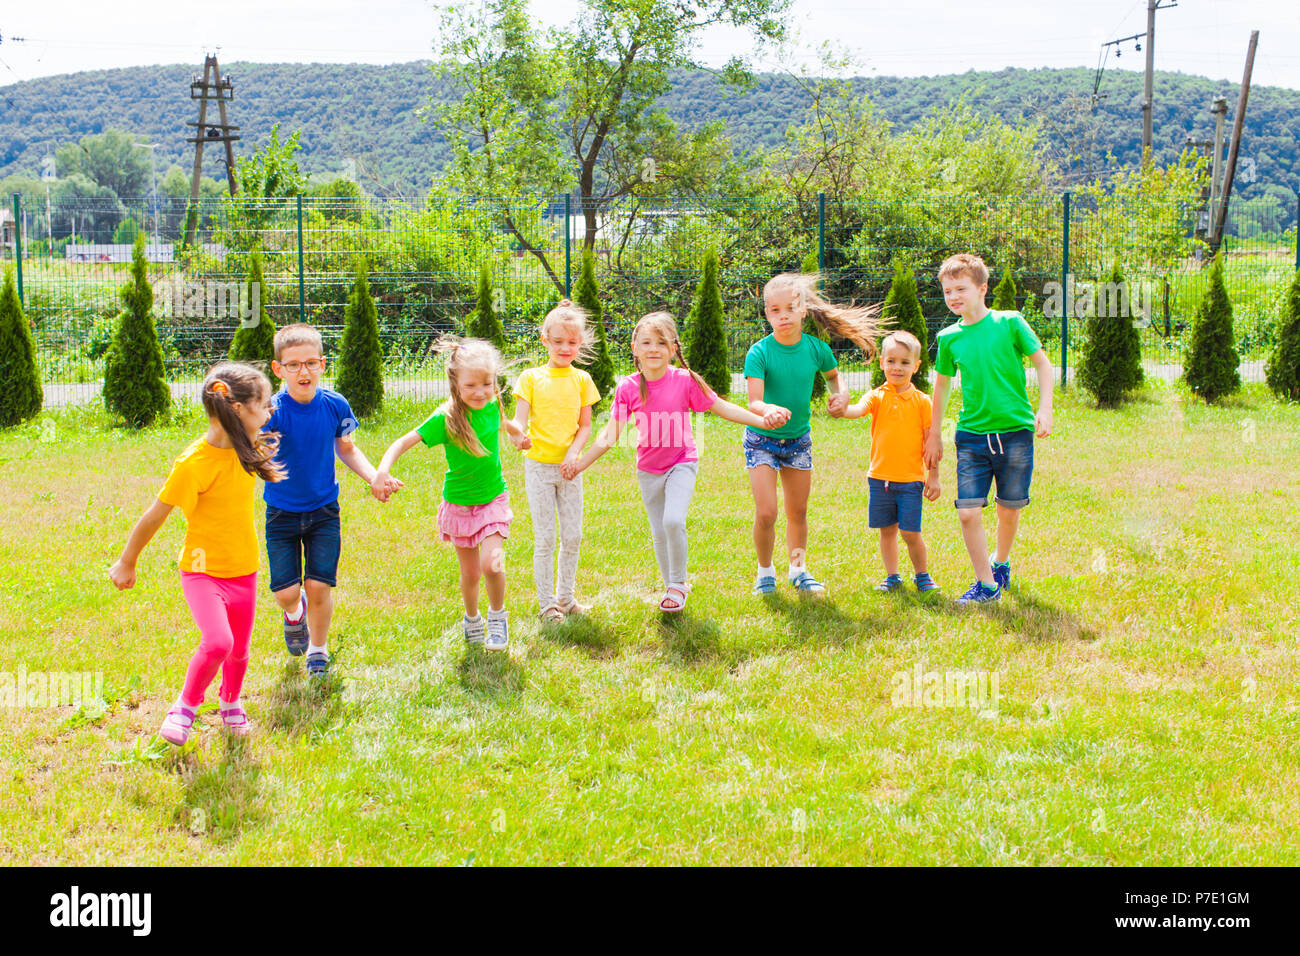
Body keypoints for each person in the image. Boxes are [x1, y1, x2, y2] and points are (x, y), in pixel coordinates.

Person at [109, 363, 286, 745]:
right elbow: (156, 515)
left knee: (239, 651)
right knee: (219, 643)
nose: (271, 411)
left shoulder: (246, 448)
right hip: (203, 572)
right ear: (237, 408)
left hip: (244, 569)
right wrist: (127, 560)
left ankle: (231, 702)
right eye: (265, 404)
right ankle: (185, 707)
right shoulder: (193, 463)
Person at [564, 312, 782, 612]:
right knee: (659, 531)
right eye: (647, 342)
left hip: (682, 462)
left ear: (673, 349)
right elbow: (608, 436)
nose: (654, 348)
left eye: (662, 342)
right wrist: (579, 463)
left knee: (673, 521)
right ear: (635, 348)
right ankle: (672, 587)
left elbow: (722, 407)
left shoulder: (685, 380)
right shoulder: (628, 387)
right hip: (647, 470)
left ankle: (677, 585)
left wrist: (761, 420)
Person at [373, 338, 528, 650]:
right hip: (459, 504)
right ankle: (472, 619)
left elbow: (503, 422)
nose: (482, 391)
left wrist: (518, 436)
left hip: (493, 499)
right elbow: (403, 442)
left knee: (492, 564)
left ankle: (497, 618)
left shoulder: (492, 404)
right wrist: (382, 471)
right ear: (455, 383)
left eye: (488, 383)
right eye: (472, 385)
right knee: (470, 573)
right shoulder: (445, 418)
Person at [263, 323, 398, 678]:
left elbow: (347, 448)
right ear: (279, 370)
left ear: (323, 364)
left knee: (319, 585)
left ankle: (317, 651)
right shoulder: (270, 411)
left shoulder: (335, 405)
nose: (303, 371)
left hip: (324, 511)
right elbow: (252, 455)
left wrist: (374, 478)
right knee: (286, 593)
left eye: (310, 363)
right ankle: (294, 614)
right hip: (282, 513)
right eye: (293, 365)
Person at [744, 272, 885, 596]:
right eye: (774, 310)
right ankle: (765, 573)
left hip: (798, 441)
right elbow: (754, 401)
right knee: (767, 512)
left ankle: (798, 569)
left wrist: (842, 394)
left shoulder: (816, 349)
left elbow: (835, 378)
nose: (783, 316)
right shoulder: (759, 352)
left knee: (798, 512)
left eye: (790, 309)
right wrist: (769, 411)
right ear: (766, 313)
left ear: (803, 309)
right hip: (762, 439)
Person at [924, 253, 1054, 605]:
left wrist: (1045, 408)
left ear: (982, 289)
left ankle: (1000, 563)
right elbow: (943, 387)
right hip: (971, 436)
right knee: (967, 510)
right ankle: (985, 586)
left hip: (1015, 433)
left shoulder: (1010, 322)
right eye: (948, 291)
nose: (953, 297)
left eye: (961, 289)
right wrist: (935, 432)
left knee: (1008, 508)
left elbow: (1043, 365)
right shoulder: (949, 338)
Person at [510, 301, 601, 623]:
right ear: (544, 339)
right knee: (546, 537)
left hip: (570, 469)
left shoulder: (582, 380)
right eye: (559, 341)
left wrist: (573, 455)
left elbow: (586, 426)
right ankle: (547, 604)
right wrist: (517, 436)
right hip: (538, 469)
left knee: (573, 536)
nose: (566, 348)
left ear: (580, 343)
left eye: (572, 343)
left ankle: (566, 598)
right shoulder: (531, 378)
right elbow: (519, 422)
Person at [839, 331, 941, 592]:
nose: (897, 368)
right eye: (892, 361)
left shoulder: (923, 402)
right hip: (880, 478)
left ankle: (922, 575)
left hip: (911, 481)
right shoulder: (876, 396)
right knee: (887, 531)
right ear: (882, 362)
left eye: (905, 362)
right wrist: (842, 408)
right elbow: (857, 410)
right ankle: (892, 576)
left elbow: (931, 445)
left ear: (916, 367)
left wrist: (934, 476)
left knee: (910, 533)